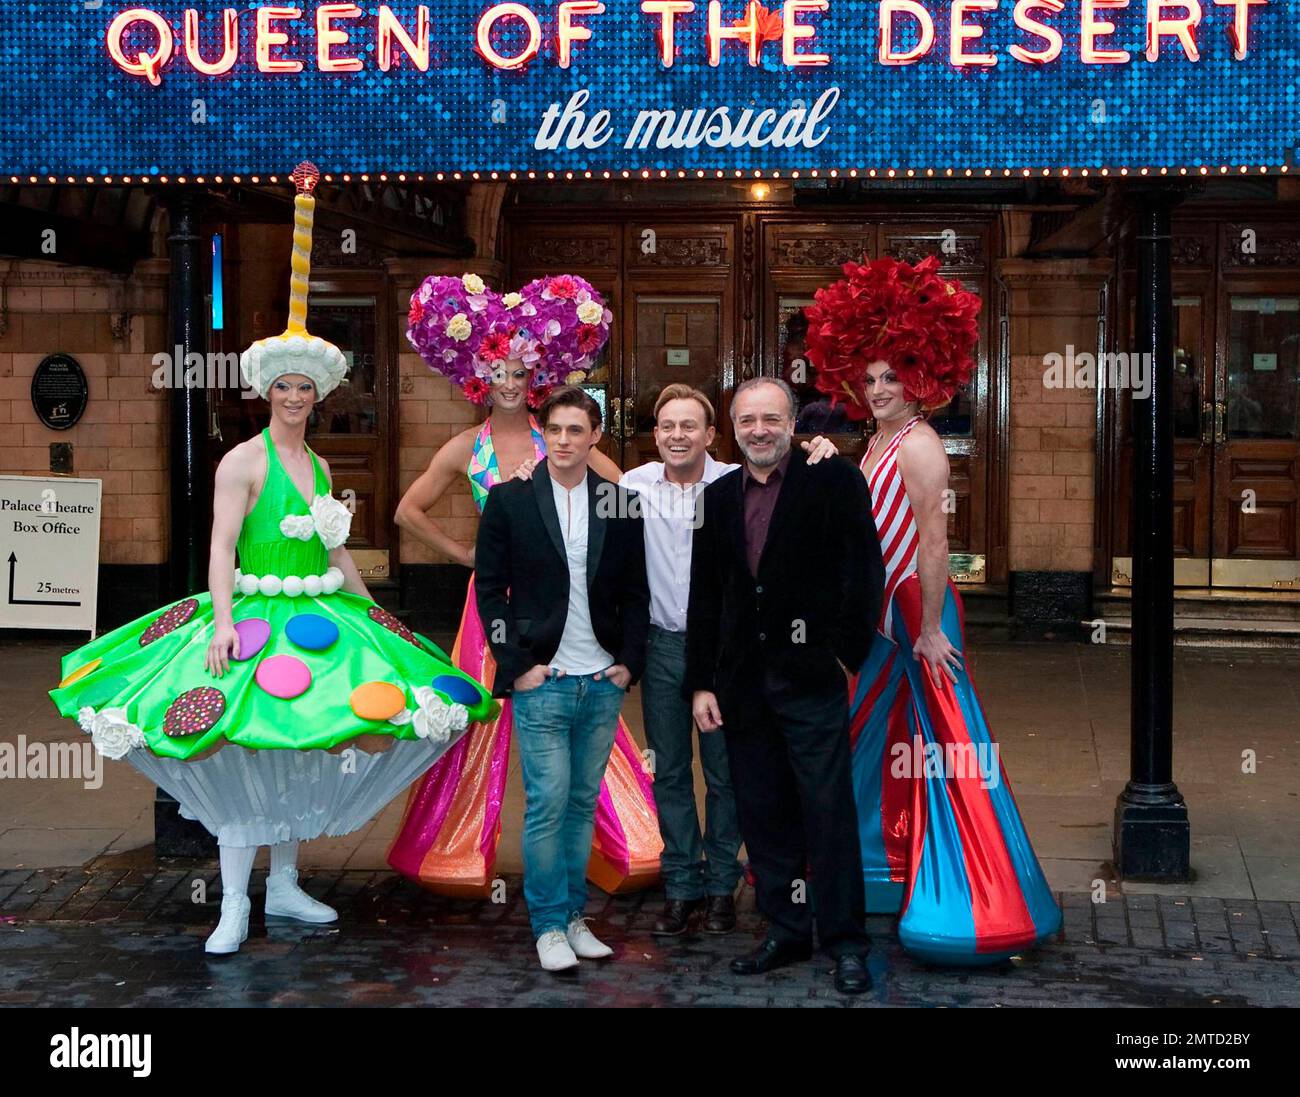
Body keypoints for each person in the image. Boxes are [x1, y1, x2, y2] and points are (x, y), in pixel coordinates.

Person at [48, 164, 496, 955]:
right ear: (266, 392)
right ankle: (231, 902)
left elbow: (333, 547)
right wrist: (221, 621)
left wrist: (370, 610)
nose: (294, 397)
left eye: (304, 388)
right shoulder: (241, 463)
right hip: (252, 619)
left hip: (316, 615)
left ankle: (284, 884)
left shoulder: (321, 468)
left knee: (294, 747)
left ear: (316, 395)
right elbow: (220, 547)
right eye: (283, 387)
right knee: (243, 751)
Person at [804, 253, 1061, 965]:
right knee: (870, 733)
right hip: (884, 611)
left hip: (917, 610)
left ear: (922, 378)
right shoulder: (877, 439)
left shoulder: (919, 446)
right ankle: (874, 867)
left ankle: (979, 896)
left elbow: (936, 541)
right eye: (872, 377)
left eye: (894, 377)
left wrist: (924, 628)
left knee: (946, 743)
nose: (880, 388)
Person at [387, 272, 661, 896]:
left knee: (586, 719)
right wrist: (468, 556)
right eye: (499, 373)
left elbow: (623, 496)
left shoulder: (559, 436)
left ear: (534, 377)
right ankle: (451, 850)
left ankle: (623, 843)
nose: (510, 384)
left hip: (568, 609)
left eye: (519, 372)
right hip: (492, 607)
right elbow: (407, 511)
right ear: (480, 379)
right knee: (477, 719)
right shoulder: (465, 446)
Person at [685, 376, 883, 995]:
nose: (759, 431)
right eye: (747, 421)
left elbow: (864, 572)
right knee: (764, 814)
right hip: (743, 687)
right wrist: (700, 683)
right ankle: (786, 930)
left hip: (811, 681)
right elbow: (706, 597)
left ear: (793, 423)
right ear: (734, 428)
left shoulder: (833, 479)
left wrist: (844, 656)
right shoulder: (717, 498)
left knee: (827, 812)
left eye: (771, 419)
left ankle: (847, 941)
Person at [619, 384, 838, 937]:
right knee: (667, 771)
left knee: (726, 774)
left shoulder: (733, 483)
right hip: (661, 645)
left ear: (711, 435)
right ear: (656, 434)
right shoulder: (631, 487)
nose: (676, 436)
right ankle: (681, 886)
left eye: (688, 426)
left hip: (724, 650)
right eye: (666, 426)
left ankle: (721, 884)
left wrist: (825, 449)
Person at [475, 385, 650, 971]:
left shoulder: (619, 501)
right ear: (541, 435)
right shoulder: (510, 500)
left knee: (581, 802)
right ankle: (547, 924)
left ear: (595, 436)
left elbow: (635, 590)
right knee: (548, 803)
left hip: (602, 682)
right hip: (542, 680)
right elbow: (489, 590)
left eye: (578, 431)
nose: (566, 441)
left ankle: (574, 917)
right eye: (555, 431)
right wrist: (516, 666)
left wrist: (630, 661)